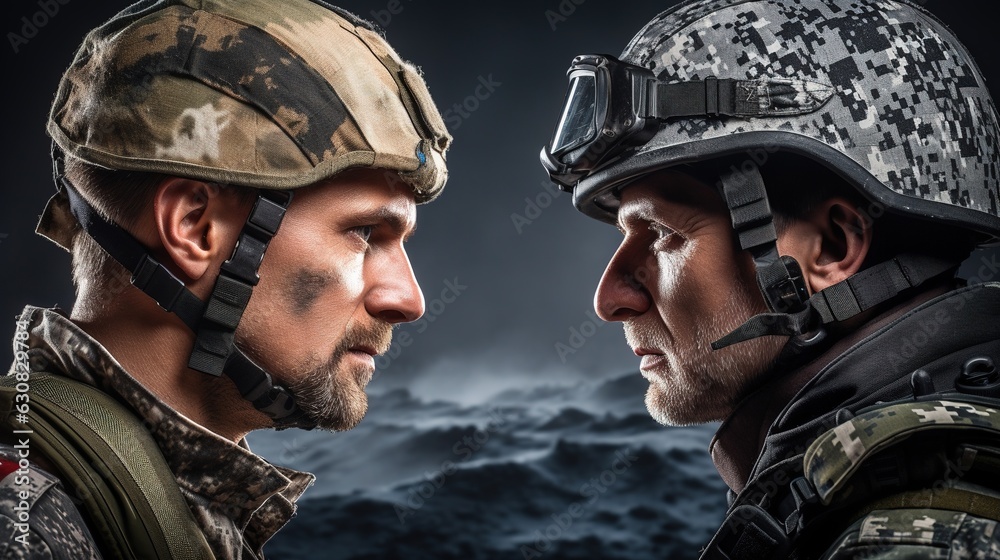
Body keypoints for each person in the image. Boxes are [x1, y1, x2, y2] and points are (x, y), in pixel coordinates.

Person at [540, 0, 1000, 558]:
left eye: (663, 234)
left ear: (832, 247)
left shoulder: (919, 531)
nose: (610, 298)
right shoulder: (846, 482)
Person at [0, 0, 451, 557]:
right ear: (195, 227)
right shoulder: (28, 521)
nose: (408, 300)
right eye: (364, 234)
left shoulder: (173, 501)